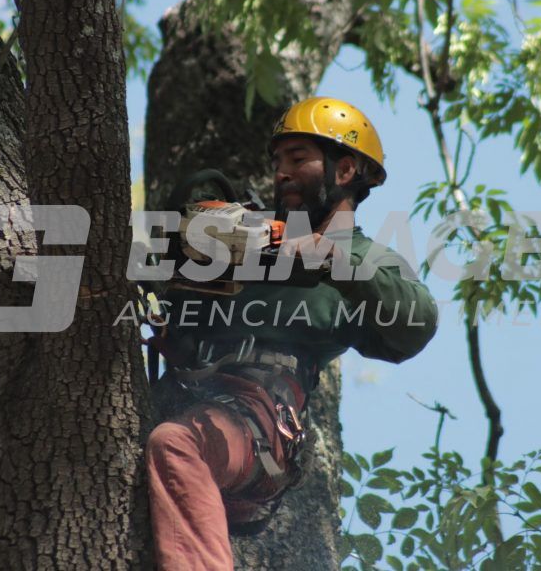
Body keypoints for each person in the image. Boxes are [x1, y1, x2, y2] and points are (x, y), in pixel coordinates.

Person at [145, 96, 439, 570]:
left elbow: (415, 324)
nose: (281, 173)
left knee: (175, 444)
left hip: (254, 416)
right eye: (278, 162)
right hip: (182, 392)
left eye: (298, 158)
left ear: (346, 170)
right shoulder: (254, 238)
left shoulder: (366, 260)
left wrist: (333, 260)